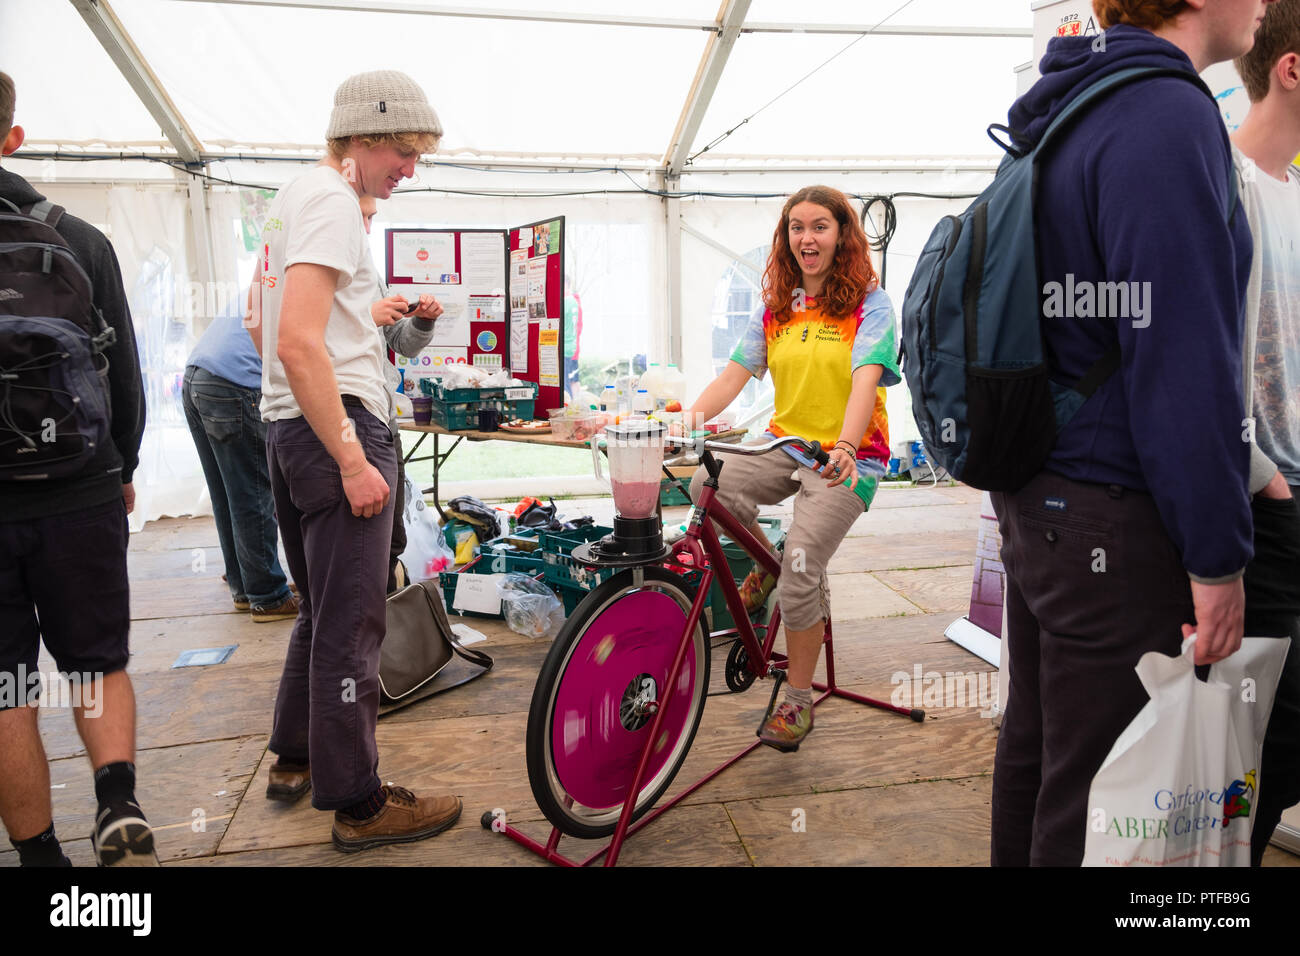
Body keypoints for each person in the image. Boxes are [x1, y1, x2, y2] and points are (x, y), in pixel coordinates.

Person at [989, 0, 1274, 866]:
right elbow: (1182, 357)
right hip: (1112, 514)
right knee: (1101, 799)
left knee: (1042, 759)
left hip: (1043, 491)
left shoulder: (1075, 102)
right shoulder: (1165, 111)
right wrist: (1216, 558)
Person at [256, 70, 461, 852]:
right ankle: (360, 802)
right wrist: (347, 452)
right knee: (352, 623)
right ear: (365, 136)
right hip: (334, 425)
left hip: (291, 423)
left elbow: (258, 321)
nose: (409, 169)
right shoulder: (336, 203)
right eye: (404, 152)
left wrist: (296, 414)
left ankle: (298, 753)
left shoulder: (290, 200)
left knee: (319, 606)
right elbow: (295, 339)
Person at [682, 184, 900, 752]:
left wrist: (848, 449)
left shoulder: (869, 305)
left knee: (803, 574)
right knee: (709, 481)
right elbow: (733, 376)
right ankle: (769, 563)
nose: (807, 237)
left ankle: (797, 700)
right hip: (789, 443)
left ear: (841, 236)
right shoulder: (775, 306)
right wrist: (681, 425)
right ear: (785, 238)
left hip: (854, 457)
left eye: (820, 226)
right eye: (796, 227)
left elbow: (864, 383)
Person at [0, 71, 153, 865]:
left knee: (6, 690)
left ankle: (40, 861)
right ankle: (117, 801)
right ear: (13, 138)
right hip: (80, 487)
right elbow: (123, 373)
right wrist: (120, 467)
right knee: (96, 660)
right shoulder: (77, 238)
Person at [1231, 0, 1300, 865]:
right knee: (1264, 738)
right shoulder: (1230, 183)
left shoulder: (1289, 192)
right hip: (1262, 507)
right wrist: (1263, 479)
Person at [183, 297, 298, 622]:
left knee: (227, 492)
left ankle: (245, 587)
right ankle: (268, 595)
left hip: (198, 376)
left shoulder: (271, 277)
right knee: (253, 494)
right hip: (233, 385)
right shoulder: (310, 286)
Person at [357, 194, 443, 592]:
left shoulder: (369, 272)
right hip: (348, 421)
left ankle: (391, 616)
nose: (367, 226)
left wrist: (422, 322)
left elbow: (402, 343)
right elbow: (303, 338)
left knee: (390, 535)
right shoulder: (317, 266)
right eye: (362, 215)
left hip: (382, 416)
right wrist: (364, 316)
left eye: (372, 217)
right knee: (361, 542)